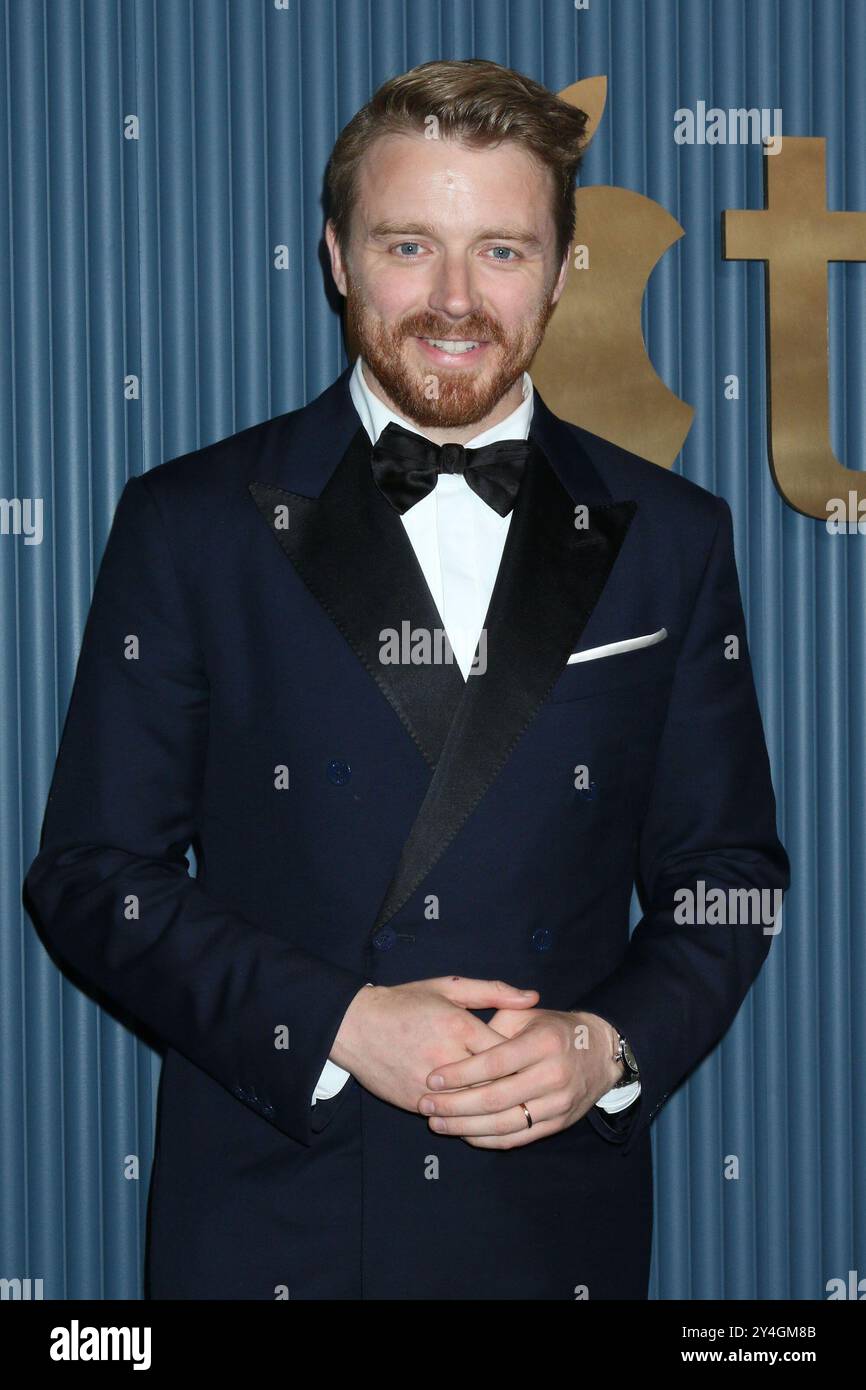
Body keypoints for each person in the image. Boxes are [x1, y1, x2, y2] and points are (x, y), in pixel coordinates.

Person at [24, 58, 789, 1300]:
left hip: (548, 1230)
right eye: (405, 246)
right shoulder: (190, 522)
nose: (452, 300)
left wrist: (605, 1045)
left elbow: (729, 880)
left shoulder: (671, 532)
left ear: (556, 269)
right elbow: (90, 876)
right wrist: (337, 1025)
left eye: (498, 250)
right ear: (334, 255)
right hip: (273, 1219)